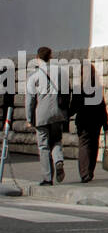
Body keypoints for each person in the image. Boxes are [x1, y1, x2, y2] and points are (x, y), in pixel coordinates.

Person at [25, 47, 70, 186]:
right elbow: (68, 93)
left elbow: (30, 100)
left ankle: (47, 177)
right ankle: (58, 160)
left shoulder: (34, 76)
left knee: (43, 146)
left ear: (37, 58)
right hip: (58, 113)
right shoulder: (61, 72)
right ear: (50, 56)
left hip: (42, 115)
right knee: (56, 140)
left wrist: (28, 118)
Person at [70, 62, 108, 183]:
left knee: (84, 145)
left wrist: (66, 115)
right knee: (94, 145)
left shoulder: (79, 88)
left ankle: (84, 173)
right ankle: (90, 171)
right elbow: (103, 106)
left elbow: (74, 106)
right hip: (96, 121)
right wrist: (105, 123)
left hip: (83, 120)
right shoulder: (97, 87)